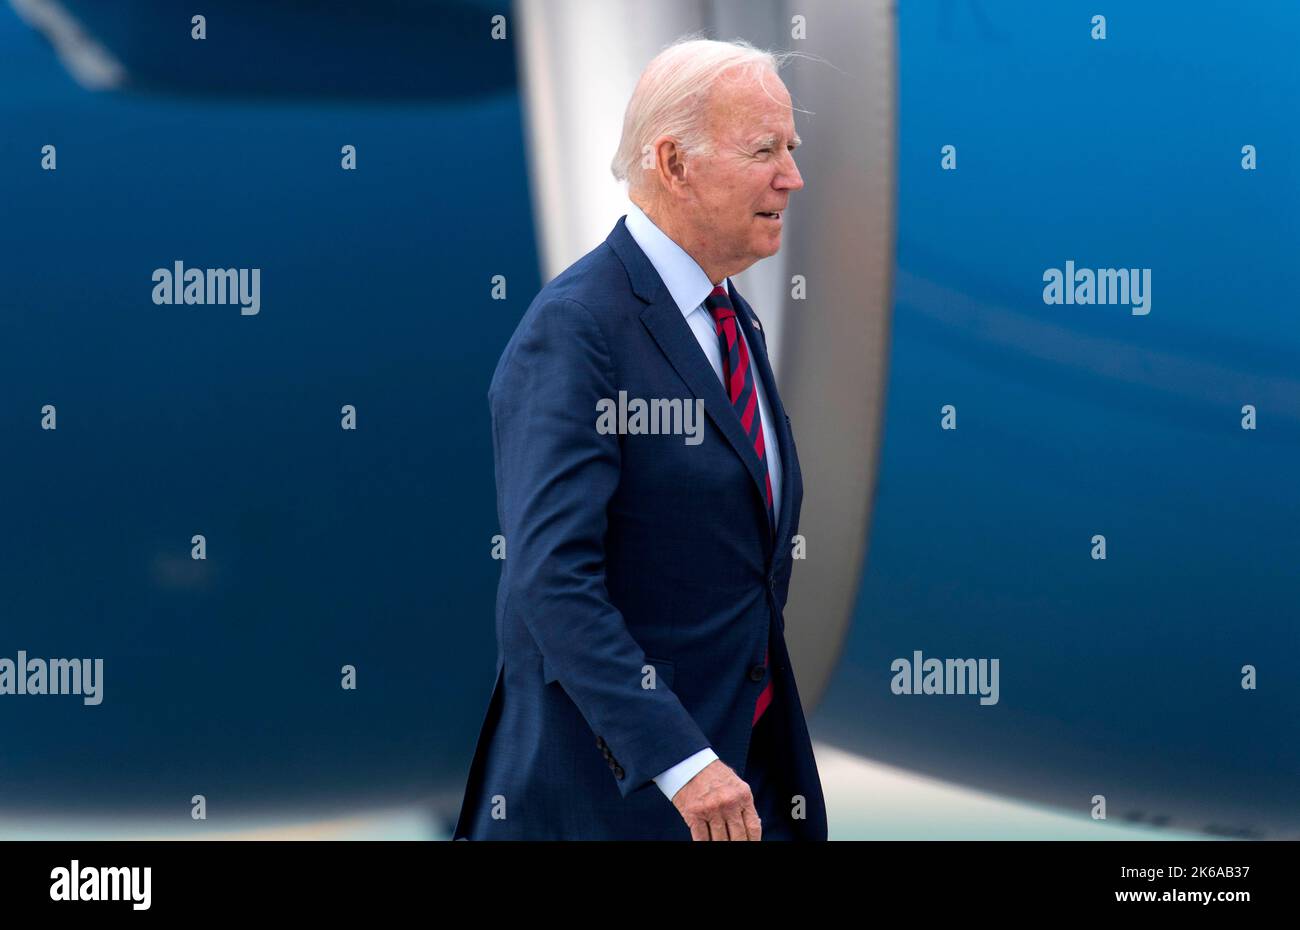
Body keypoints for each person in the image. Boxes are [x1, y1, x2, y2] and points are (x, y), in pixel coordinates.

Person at [453, 36, 826, 840]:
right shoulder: (577, 328)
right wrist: (682, 763)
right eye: (764, 150)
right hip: (617, 801)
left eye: (791, 149)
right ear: (674, 163)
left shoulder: (731, 320)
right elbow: (552, 581)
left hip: (740, 788)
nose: (792, 177)